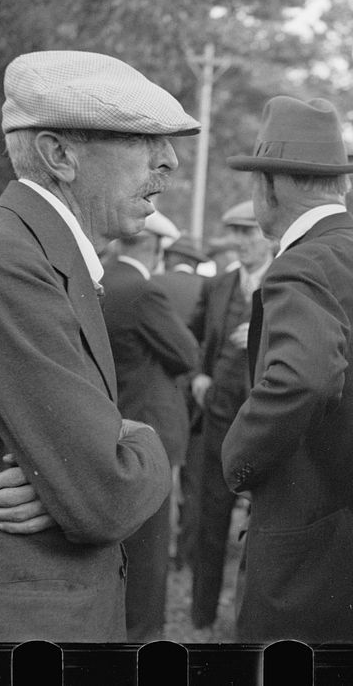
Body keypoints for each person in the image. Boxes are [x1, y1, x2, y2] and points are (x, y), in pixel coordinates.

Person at [0, 50, 198, 642]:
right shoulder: (6, 263)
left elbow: (89, 481)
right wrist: (141, 443)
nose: (170, 161)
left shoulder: (31, 253)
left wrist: (78, 471)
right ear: (59, 155)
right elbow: (105, 491)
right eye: (142, 141)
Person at [220, 96, 353, 643]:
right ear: (341, 184)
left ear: (270, 186)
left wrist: (238, 459)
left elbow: (303, 379)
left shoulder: (300, 265)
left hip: (311, 560)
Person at [101, 209, 202, 641]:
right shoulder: (143, 290)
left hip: (110, 419)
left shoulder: (101, 281)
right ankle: (143, 633)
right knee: (150, 548)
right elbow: (186, 353)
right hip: (149, 432)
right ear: (157, 247)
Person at [186, 200, 274, 630]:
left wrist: (263, 334)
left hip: (265, 419)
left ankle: (249, 619)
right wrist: (199, 375)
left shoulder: (285, 282)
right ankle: (201, 617)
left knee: (261, 522)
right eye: (235, 233)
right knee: (211, 517)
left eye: (249, 232)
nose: (240, 242)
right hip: (219, 415)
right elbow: (195, 335)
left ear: (269, 236)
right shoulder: (219, 285)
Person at [153, 233, 210, 571]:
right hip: (200, 388)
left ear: (169, 257)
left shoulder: (154, 283)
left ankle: (166, 545)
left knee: (166, 469)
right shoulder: (207, 286)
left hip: (166, 389)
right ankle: (188, 551)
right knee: (197, 473)